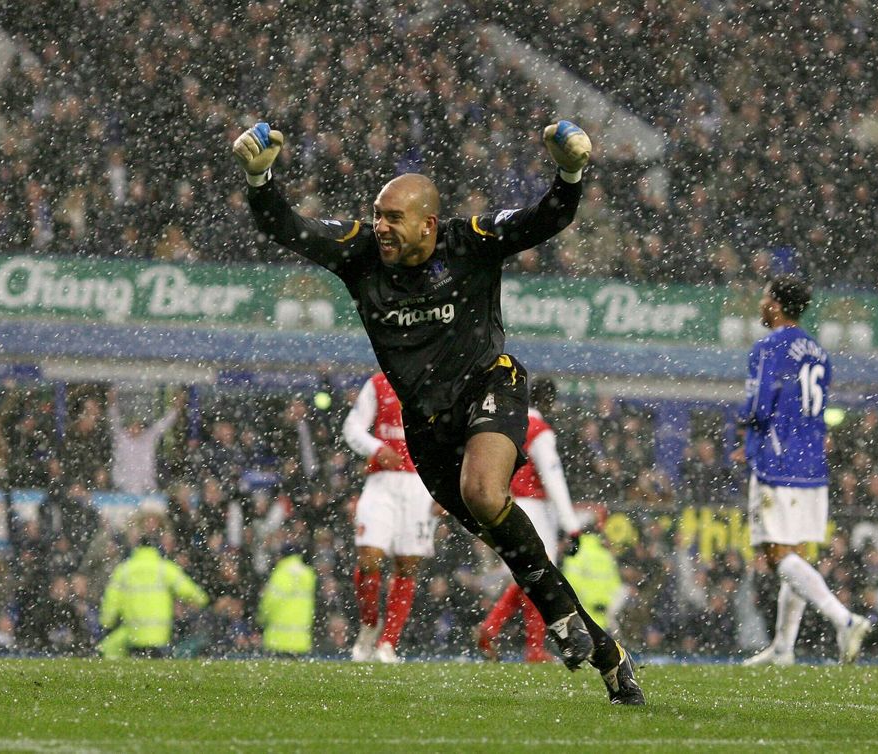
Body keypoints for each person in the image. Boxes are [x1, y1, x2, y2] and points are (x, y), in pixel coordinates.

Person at [234, 118, 644, 703]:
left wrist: (569, 174)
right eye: (377, 216)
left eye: (393, 218)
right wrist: (259, 177)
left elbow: (544, 218)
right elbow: (287, 227)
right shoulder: (360, 254)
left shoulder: (469, 242)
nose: (380, 228)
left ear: (429, 223)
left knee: (484, 492)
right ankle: (604, 651)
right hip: (428, 432)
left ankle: (564, 626)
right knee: (505, 540)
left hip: (489, 389)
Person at [734, 275, 872, 666]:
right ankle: (783, 647)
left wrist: (742, 426)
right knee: (793, 552)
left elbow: (760, 407)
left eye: (764, 297)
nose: (761, 304)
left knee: (776, 556)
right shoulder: (819, 352)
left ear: (775, 304)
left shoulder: (768, 346)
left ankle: (843, 619)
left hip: (777, 462)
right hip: (811, 462)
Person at [475, 377, 582, 663]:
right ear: (549, 401)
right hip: (535, 507)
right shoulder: (541, 432)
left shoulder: (515, 426)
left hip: (512, 504)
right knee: (540, 575)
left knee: (526, 574)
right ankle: (533, 648)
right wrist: (571, 526)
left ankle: (491, 628)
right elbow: (554, 479)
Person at [342, 371, 436, 663]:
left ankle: (388, 643)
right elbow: (352, 427)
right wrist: (377, 448)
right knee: (369, 557)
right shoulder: (380, 382)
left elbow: (453, 439)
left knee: (407, 564)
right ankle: (370, 624)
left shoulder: (441, 384)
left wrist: (446, 489)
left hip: (421, 485)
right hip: (382, 481)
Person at [98, 530, 209, 659]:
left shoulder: (124, 570)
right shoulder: (165, 568)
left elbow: (111, 601)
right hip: (160, 634)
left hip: (133, 634)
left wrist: (107, 623)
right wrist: (202, 601)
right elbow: (191, 592)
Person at [106, 387, 180, 495]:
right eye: (132, 425)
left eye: (138, 425)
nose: (135, 429)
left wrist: (176, 407)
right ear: (127, 426)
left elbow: (164, 424)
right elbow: (114, 419)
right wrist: (112, 402)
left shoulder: (148, 437)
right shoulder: (121, 437)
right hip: (122, 489)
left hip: (147, 489)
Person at [258, 543, 317, 657]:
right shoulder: (308, 574)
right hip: (301, 640)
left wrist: (260, 619)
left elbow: (270, 602)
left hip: (278, 639)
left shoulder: (281, 573)